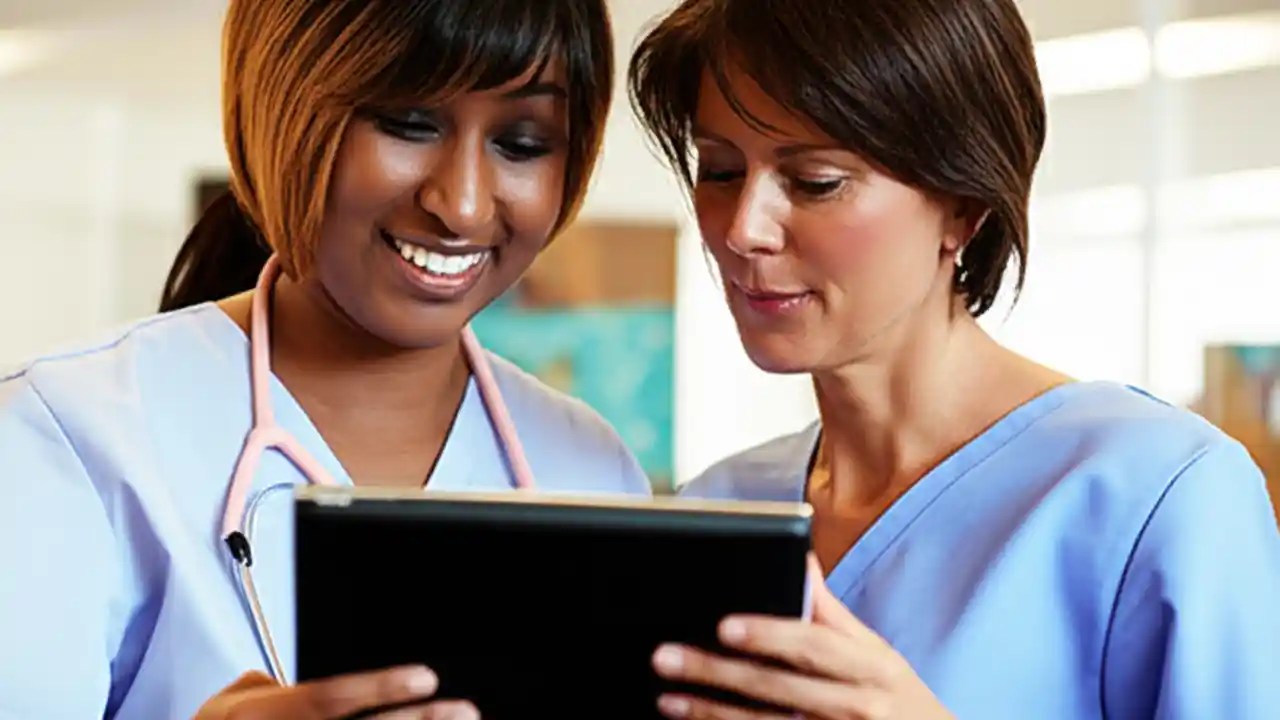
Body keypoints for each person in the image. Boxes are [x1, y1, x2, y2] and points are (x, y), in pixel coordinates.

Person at [629, 0, 1280, 718]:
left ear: (964, 203)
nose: (743, 230)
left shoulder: (1160, 494)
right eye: (720, 171)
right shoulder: (718, 508)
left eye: (815, 181)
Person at [0, 0, 650, 718]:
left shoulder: (593, 470)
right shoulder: (62, 436)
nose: (462, 205)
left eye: (523, 144)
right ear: (282, 111)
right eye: (409, 123)